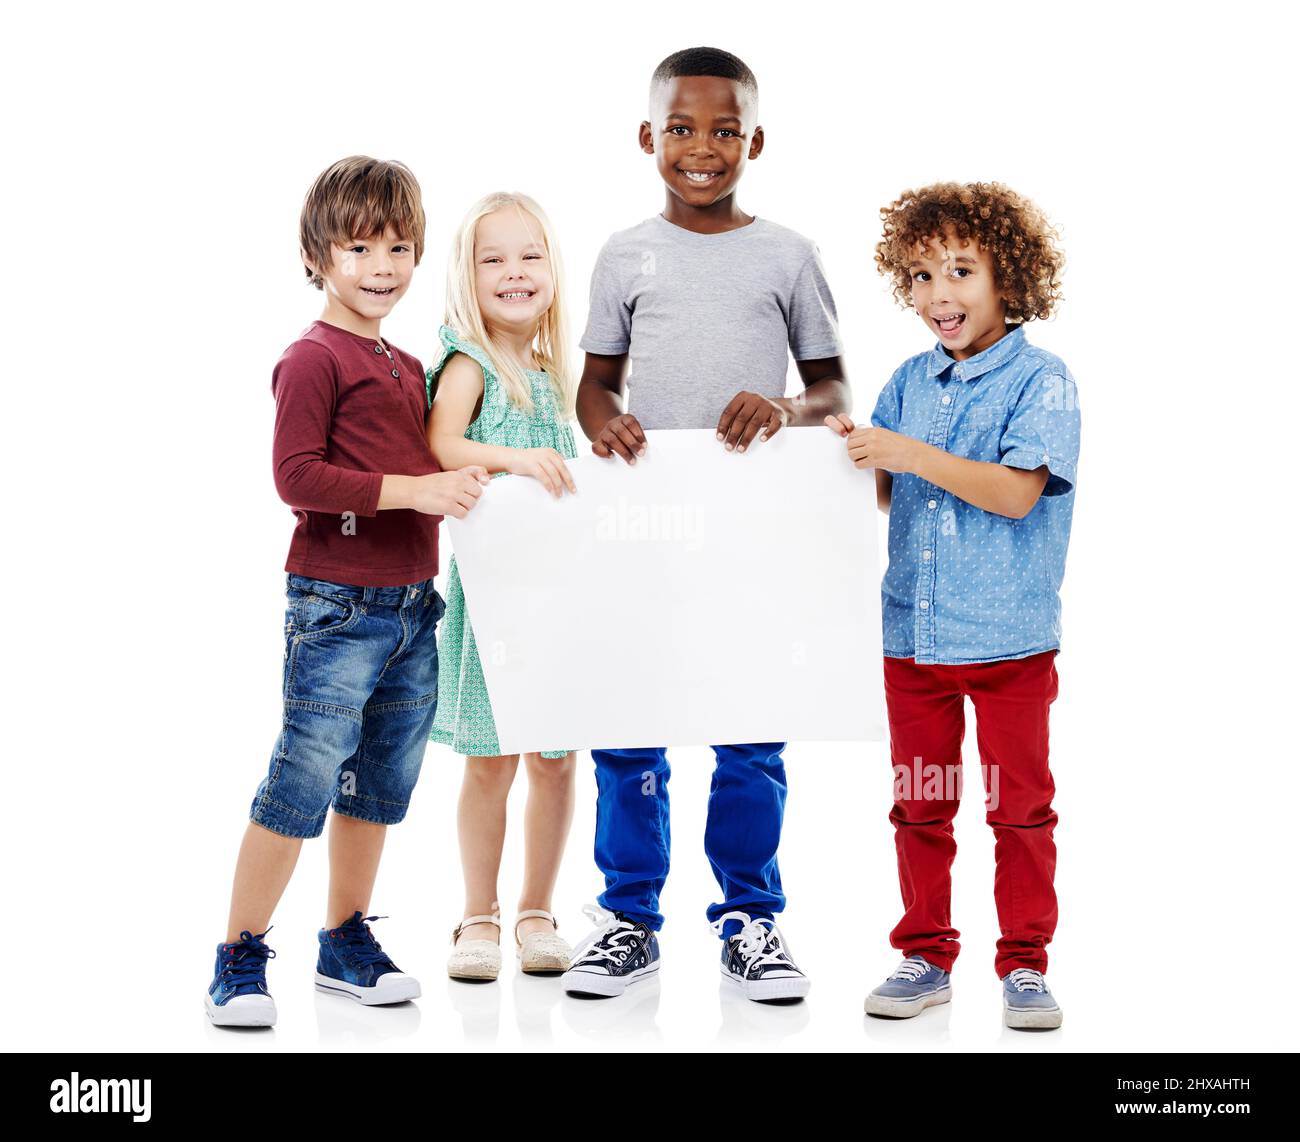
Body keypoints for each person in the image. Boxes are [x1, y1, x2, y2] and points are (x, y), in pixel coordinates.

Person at [563, 46, 850, 1004]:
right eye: (680, 128)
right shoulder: (623, 254)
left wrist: (783, 407)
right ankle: (628, 917)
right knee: (632, 723)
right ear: (648, 136)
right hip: (645, 523)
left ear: (754, 140)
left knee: (749, 727)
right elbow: (595, 385)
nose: (702, 147)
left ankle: (750, 917)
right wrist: (607, 423)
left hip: (753, 531)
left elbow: (834, 388)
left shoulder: (790, 255)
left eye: (725, 130)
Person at [204, 156, 490, 1027]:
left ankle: (344, 938)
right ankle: (239, 956)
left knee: (377, 788)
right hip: (336, 607)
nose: (383, 267)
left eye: (401, 247)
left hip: (413, 607)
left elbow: (445, 457)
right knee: (301, 779)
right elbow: (297, 476)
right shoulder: (311, 359)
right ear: (317, 256)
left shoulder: (411, 363)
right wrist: (417, 493)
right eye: (360, 247)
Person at [828, 181, 1077, 1030]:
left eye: (961, 271)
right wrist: (854, 462)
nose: (940, 294)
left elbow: (1014, 494)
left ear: (1009, 277)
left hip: (1009, 646)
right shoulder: (908, 380)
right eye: (923, 274)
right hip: (916, 644)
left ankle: (1026, 966)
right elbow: (900, 501)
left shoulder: (1043, 381)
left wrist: (905, 451)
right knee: (922, 805)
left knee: (1018, 808)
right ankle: (925, 954)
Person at [425, 192, 580, 982]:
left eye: (530, 256)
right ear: (469, 276)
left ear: (552, 270)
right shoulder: (470, 363)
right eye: (494, 259)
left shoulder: (556, 373)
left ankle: (536, 910)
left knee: (555, 759)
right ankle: (477, 914)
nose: (514, 272)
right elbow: (441, 443)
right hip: (493, 602)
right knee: (490, 759)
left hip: (558, 602)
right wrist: (514, 462)